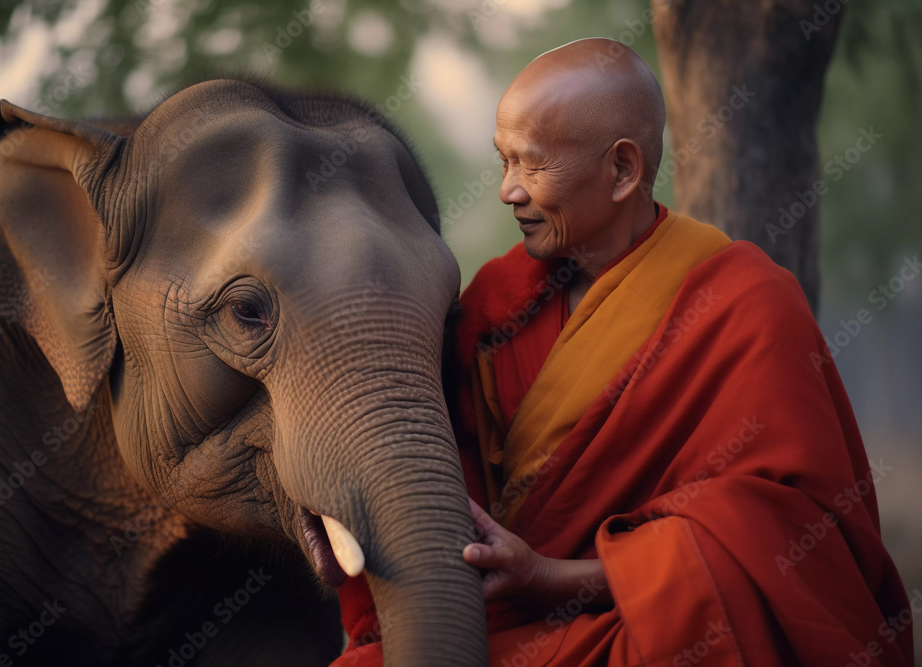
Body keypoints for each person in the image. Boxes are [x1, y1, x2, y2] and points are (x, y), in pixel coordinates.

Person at [334, 38, 914, 666]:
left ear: (622, 171)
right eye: (503, 162)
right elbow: (413, 455)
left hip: (646, 622)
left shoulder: (747, 304)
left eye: (530, 166)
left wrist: (551, 576)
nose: (508, 191)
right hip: (505, 620)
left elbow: (793, 537)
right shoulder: (495, 305)